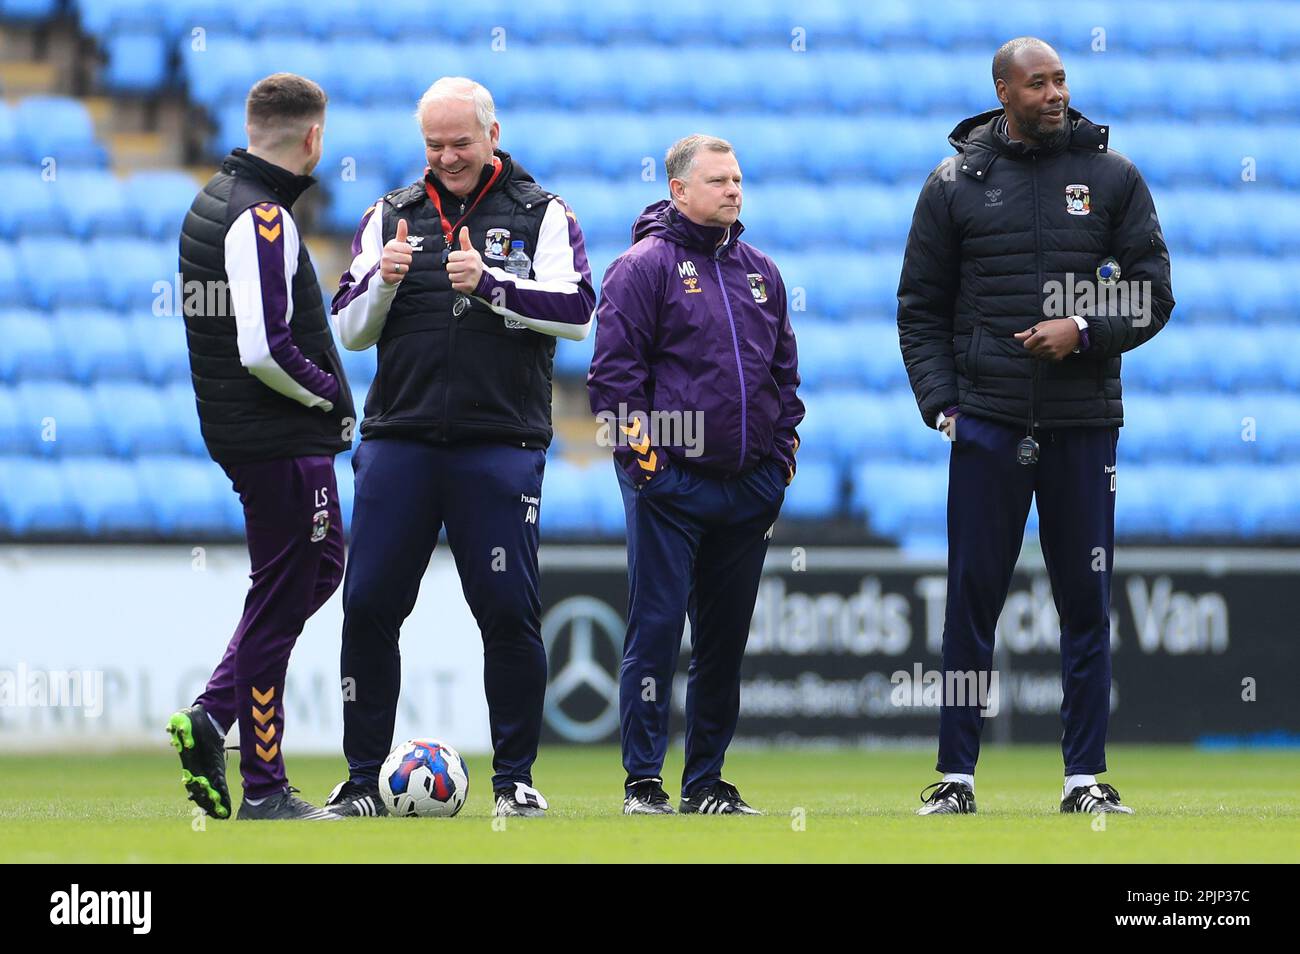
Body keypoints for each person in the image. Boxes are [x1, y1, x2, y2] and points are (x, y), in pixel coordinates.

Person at [897, 37, 1173, 815]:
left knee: (1084, 602)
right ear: (1003, 91)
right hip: (986, 421)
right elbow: (919, 308)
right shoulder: (954, 183)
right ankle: (956, 779)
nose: (1055, 93)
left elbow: (1154, 293)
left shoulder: (1114, 178)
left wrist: (1082, 329)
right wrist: (943, 404)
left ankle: (1083, 778)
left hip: (1084, 423)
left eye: (1061, 79)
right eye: (1038, 83)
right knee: (970, 601)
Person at [325, 77, 595, 819]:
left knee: (508, 611)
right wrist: (381, 285)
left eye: (460, 142)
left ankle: (516, 780)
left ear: (492, 135)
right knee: (371, 605)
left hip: (498, 444)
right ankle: (359, 781)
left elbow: (578, 313)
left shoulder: (542, 213)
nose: (446, 156)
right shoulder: (390, 214)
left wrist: (493, 285)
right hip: (399, 441)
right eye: (434, 144)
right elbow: (347, 328)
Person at [588, 134, 804, 815]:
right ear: (679, 189)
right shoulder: (642, 267)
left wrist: (781, 459)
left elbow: (784, 378)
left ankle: (706, 781)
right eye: (718, 180)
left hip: (748, 490)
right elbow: (614, 380)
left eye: (738, 178)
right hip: (670, 486)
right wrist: (647, 465)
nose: (734, 190)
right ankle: (643, 783)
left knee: (722, 644)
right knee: (654, 631)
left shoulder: (762, 272)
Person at [169, 73, 354, 821]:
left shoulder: (212, 199)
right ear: (313, 138)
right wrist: (330, 397)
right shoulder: (263, 219)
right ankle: (267, 789)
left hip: (250, 434)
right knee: (279, 601)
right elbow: (265, 349)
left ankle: (213, 715)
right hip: (278, 439)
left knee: (323, 564)